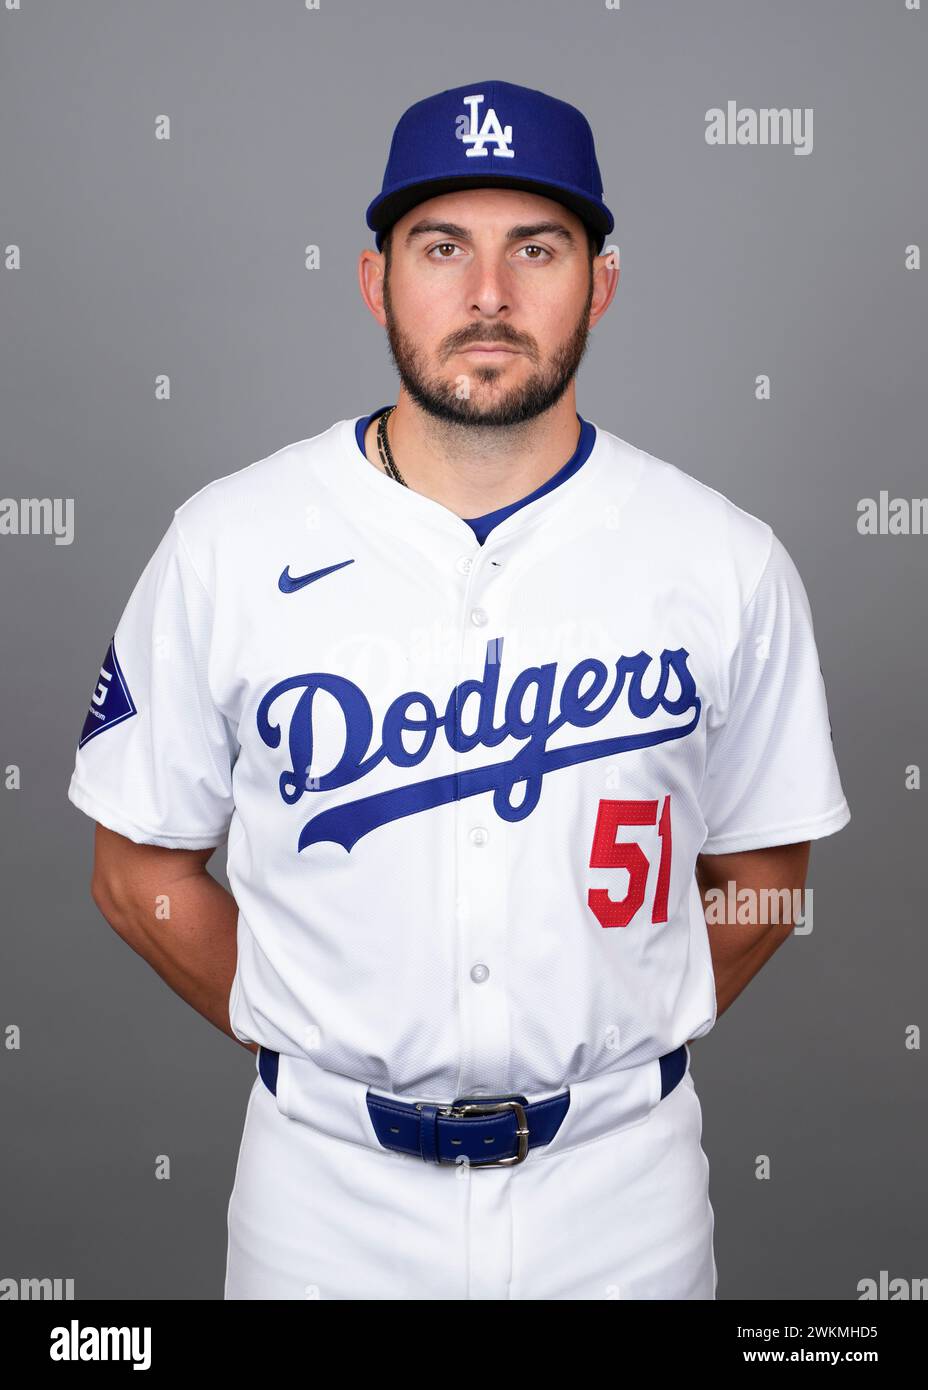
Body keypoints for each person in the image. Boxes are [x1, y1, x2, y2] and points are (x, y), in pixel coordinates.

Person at [67, 79, 851, 1300]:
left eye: (535, 249)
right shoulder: (226, 540)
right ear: (378, 281)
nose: (488, 295)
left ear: (599, 282)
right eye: (443, 248)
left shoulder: (723, 557)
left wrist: (615, 1031)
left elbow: (766, 874)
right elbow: (136, 872)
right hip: (322, 1203)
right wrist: (317, 1040)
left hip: (620, 1199)